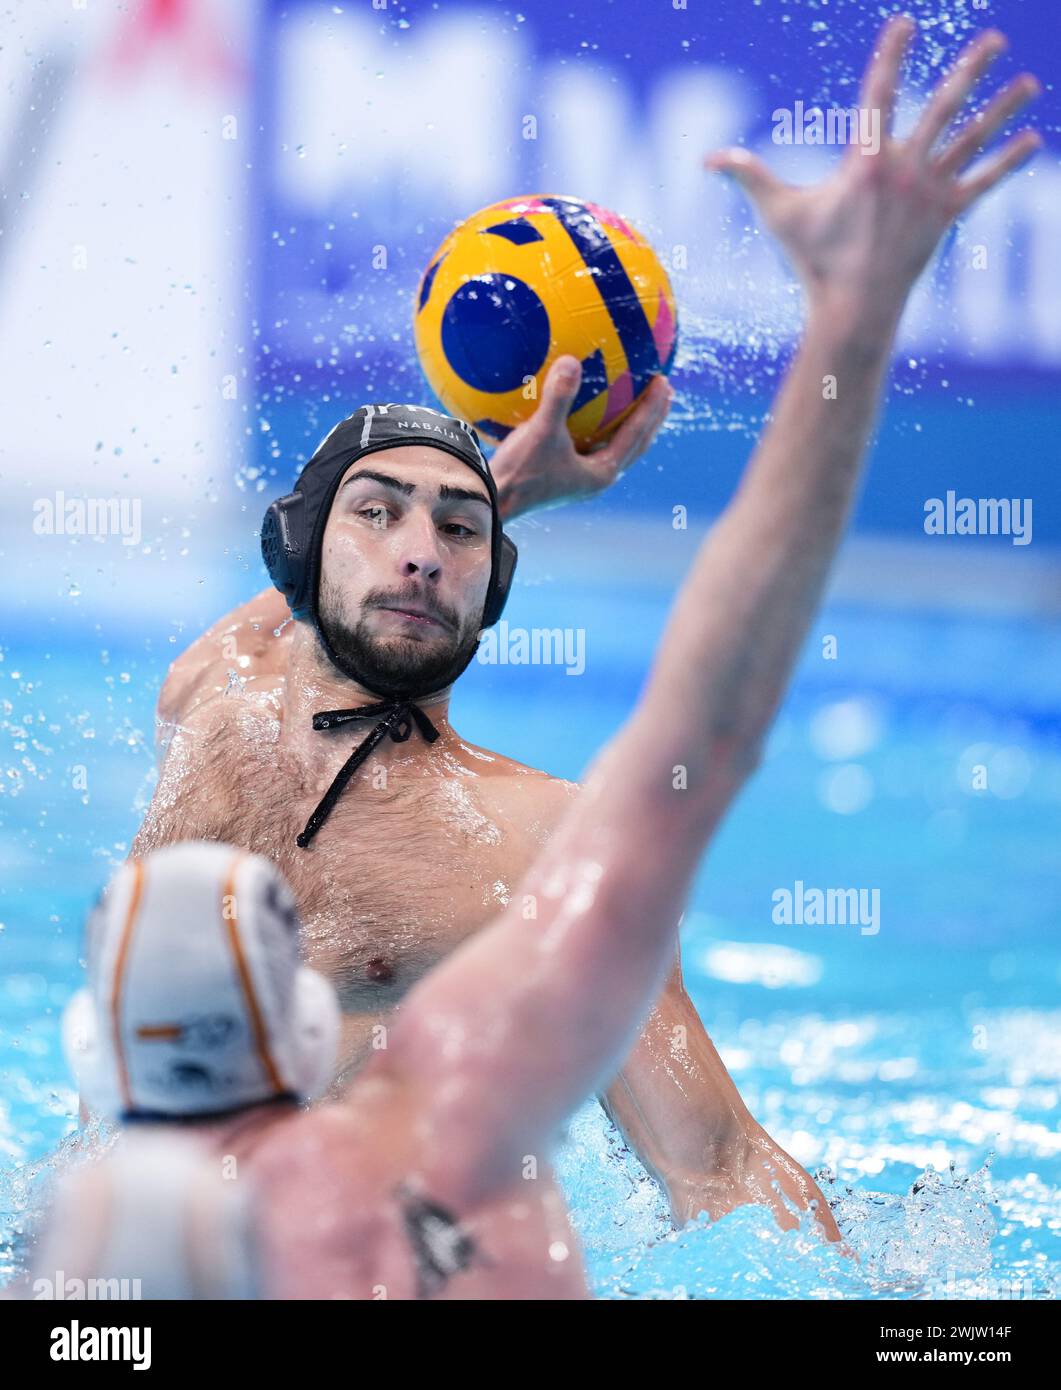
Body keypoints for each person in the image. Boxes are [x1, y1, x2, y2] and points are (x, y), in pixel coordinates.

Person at [123, 15, 1040, 1246]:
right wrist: (506, 481)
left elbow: (717, 1168)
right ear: (299, 548)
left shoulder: (545, 844)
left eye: (458, 534)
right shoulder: (220, 698)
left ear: (493, 586)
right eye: (378, 513)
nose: (417, 551)